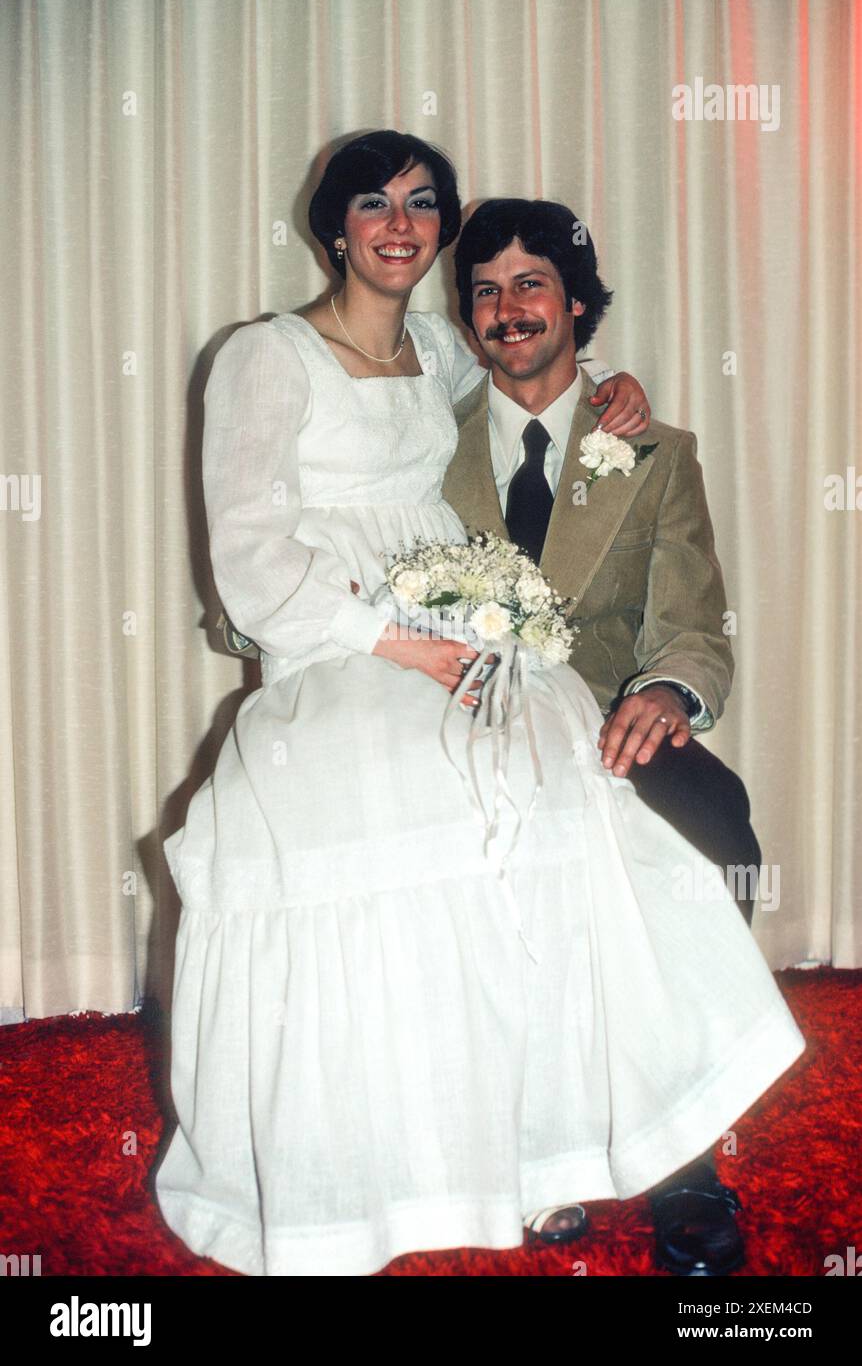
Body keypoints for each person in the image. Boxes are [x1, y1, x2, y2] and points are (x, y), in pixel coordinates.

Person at [156, 130, 804, 1278]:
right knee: (439, 812)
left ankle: (661, 1147)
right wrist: (402, 645)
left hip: (510, 666)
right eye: (373, 202)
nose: (397, 223)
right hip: (352, 652)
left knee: (627, 822)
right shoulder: (264, 355)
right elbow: (250, 561)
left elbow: (565, 411)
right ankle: (469, 1149)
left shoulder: (460, 372)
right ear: (334, 226)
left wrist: (616, 399)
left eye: (420, 204)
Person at [444, 197, 769, 1271]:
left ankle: (679, 1157)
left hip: (605, 721)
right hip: (464, 726)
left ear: (577, 304)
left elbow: (692, 622)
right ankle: (533, 1141)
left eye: (530, 282)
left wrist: (668, 691)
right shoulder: (421, 448)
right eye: (484, 289)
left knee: (714, 831)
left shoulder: (654, 447)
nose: (507, 307)